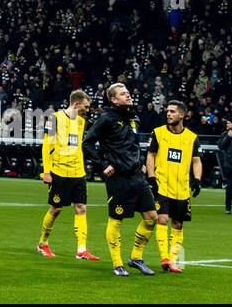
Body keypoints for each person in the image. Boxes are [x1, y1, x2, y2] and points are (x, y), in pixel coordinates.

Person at [84, 82, 158, 277]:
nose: (128, 95)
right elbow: (87, 143)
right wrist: (102, 164)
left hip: (137, 175)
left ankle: (136, 258)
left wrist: (141, 161)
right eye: (123, 94)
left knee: (151, 217)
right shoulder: (106, 118)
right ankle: (117, 263)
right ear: (113, 99)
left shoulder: (134, 118)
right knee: (116, 219)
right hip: (118, 177)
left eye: (128, 92)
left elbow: (133, 145)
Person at [36, 89, 100, 261]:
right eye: (85, 107)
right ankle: (43, 243)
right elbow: (46, 145)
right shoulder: (54, 118)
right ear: (76, 103)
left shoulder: (81, 121)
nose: (88, 110)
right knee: (56, 209)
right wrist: (46, 171)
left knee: (81, 208)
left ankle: (81, 249)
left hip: (78, 172)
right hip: (59, 171)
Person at [147, 100, 202, 273]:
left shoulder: (192, 138)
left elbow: (196, 160)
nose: (168, 114)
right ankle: (164, 257)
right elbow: (151, 155)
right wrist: (151, 176)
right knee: (161, 219)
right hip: (163, 186)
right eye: (167, 111)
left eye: (172, 111)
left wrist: (198, 179)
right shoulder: (158, 133)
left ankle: (172, 260)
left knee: (178, 224)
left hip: (182, 189)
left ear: (182, 115)